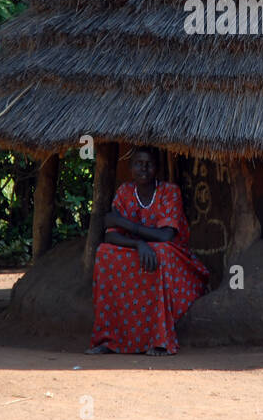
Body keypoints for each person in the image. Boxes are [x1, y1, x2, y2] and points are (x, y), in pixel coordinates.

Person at [86, 147, 209, 355]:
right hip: (139, 251)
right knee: (105, 253)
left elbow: (166, 236)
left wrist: (127, 225)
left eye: (148, 164)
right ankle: (109, 339)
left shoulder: (169, 192)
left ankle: (159, 339)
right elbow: (110, 235)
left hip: (172, 257)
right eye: (138, 163)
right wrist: (139, 244)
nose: (143, 168)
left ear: (157, 168)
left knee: (160, 251)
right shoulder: (124, 192)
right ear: (130, 167)